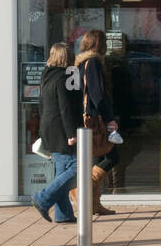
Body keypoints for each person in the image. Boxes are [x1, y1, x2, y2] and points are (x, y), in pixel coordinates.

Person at [30, 42, 80, 224]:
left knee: (61, 170)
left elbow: (41, 104)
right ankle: (43, 198)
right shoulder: (64, 78)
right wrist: (71, 133)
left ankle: (63, 214)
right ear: (67, 58)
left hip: (49, 127)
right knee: (78, 168)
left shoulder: (47, 75)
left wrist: (42, 131)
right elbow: (66, 108)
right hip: (61, 128)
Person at [72, 30, 120, 216]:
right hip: (95, 118)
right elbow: (96, 94)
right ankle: (81, 191)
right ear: (100, 44)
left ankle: (94, 204)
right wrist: (109, 119)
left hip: (90, 117)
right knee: (112, 156)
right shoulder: (93, 62)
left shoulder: (81, 62)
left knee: (100, 158)